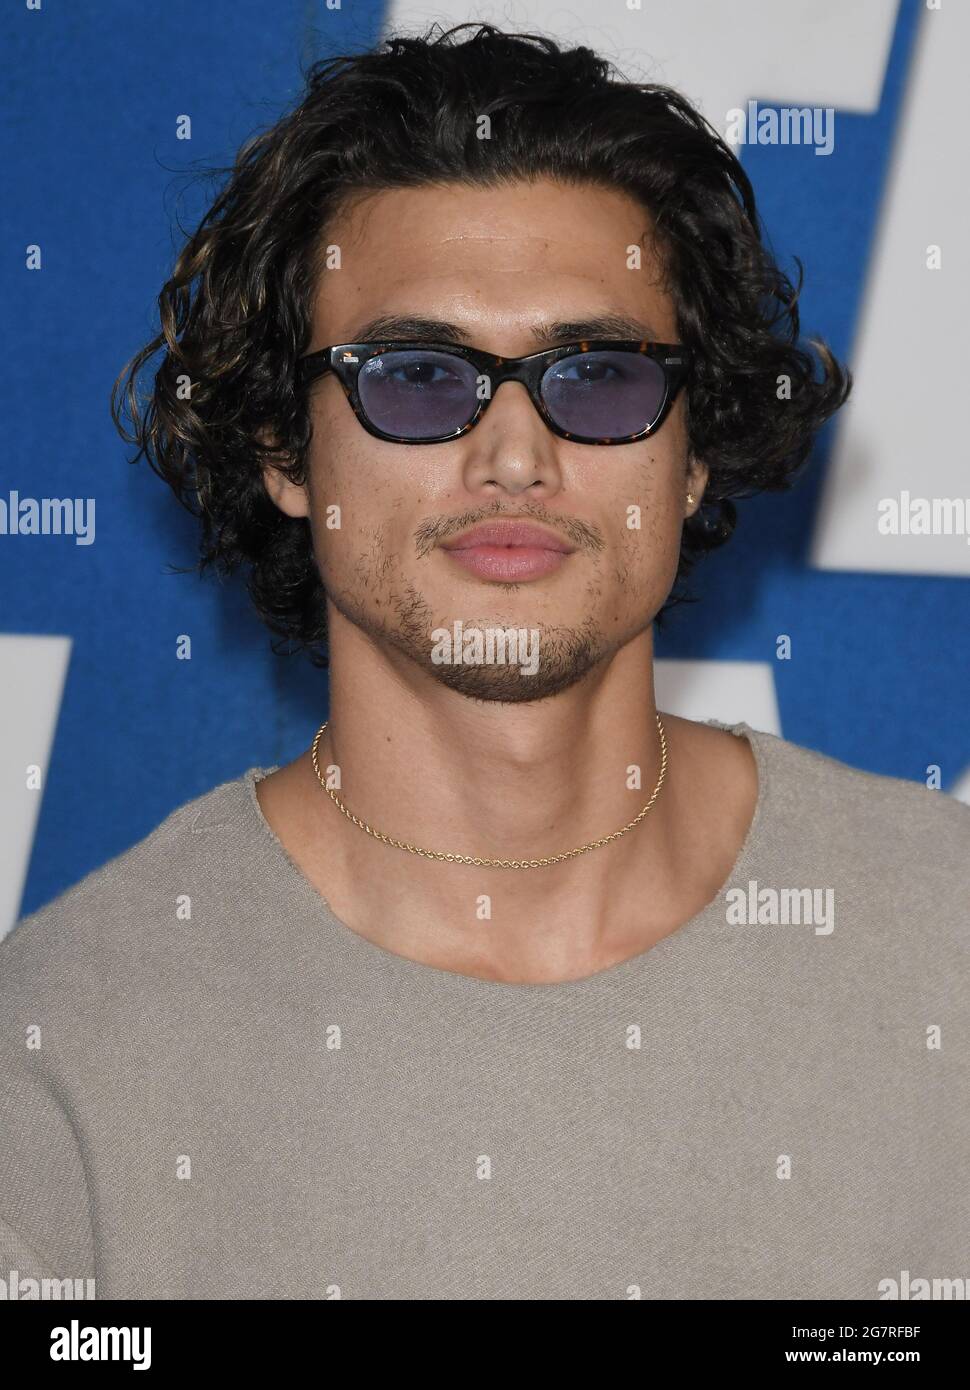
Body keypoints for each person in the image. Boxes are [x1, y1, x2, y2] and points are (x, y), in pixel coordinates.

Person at [1, 23, 966, 1303]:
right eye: (415, 375)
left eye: (600, 374)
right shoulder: (57, 1064)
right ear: (284, 454)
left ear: (689, 457)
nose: (514, 452)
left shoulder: (942, 943)